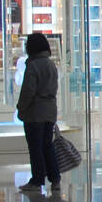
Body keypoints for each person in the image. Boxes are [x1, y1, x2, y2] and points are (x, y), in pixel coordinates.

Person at [16, 32, 61, 192]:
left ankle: (37, 180)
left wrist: (21, 107)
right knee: (47, 146)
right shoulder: (51, 64)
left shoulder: (33, 65)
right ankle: (55, 179)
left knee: (35, 147)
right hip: (50, 111)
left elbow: (28, 90)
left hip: (35, 113)